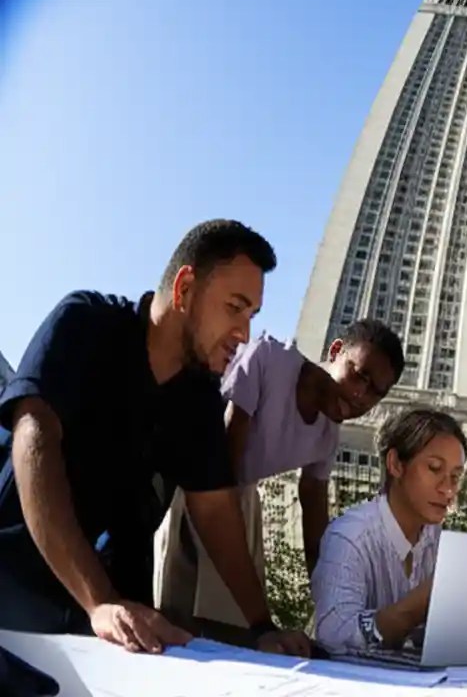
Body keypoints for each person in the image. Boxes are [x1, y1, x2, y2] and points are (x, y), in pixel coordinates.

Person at [0, 220, 309, 655]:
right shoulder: (85, 322)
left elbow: (217, 512)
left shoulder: (200, 398)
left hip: (110, 609)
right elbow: (34, 445)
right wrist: (100, 602)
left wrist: (262, 626)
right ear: (184, 289)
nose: (244, 334)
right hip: (15, 582)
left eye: (251, 316)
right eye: (235, 308)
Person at [154, 319, 404, 628]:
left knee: (234, 633)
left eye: (375, 393)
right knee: (180, 617)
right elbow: (225, 457)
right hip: (198, 490)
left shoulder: (326, 437)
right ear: (336, 350)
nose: (360, 396)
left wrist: (333, 599)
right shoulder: (269, 359)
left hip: (241, 503)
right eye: (359, 376)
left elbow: (315, 525)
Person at [310, 408, 466, 655]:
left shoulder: (437, 539)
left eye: (455, 477)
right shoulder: (350, 537)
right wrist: (412, 609)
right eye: (435, 468)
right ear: (395, 464)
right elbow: (333, 638)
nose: (448, 489)